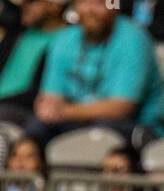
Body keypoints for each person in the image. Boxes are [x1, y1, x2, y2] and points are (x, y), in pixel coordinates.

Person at [29, 0, 164, 142]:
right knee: (36, 128)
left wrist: (64, 112)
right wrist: (48, 109)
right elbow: (50, 96)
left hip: (135, 126)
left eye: (99, 3)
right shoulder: (64, 39)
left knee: (104, 129)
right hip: (75, 120)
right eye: (84, 2)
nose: (90, 10)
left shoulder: (133, 39)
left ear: (114, 6)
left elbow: (122, 108)